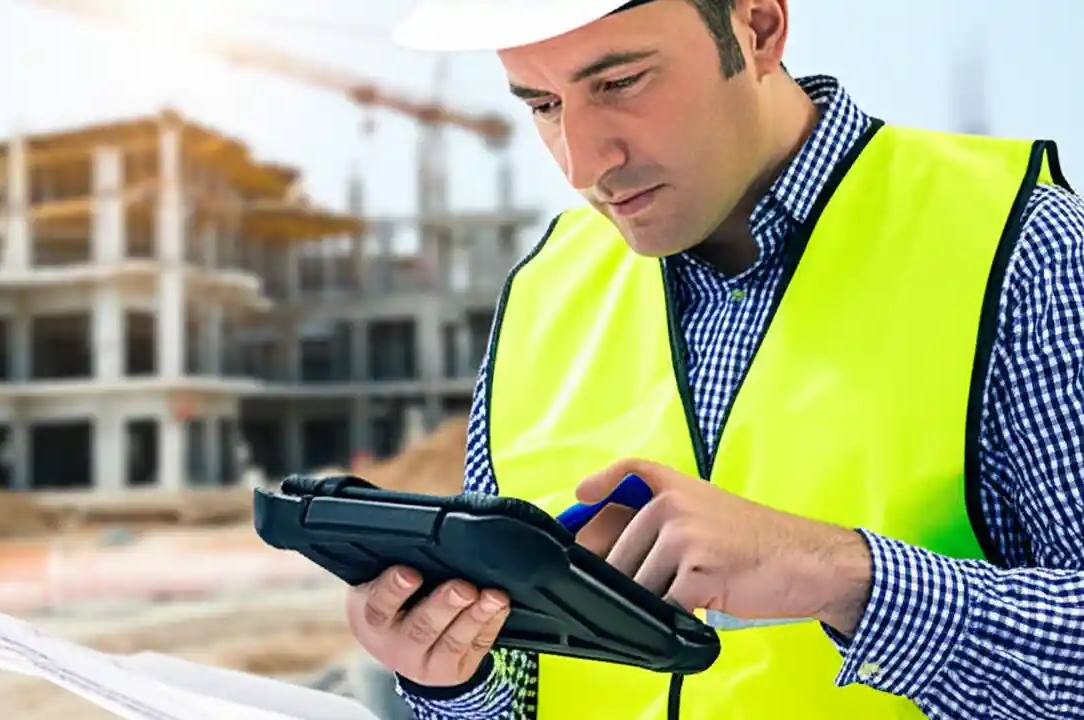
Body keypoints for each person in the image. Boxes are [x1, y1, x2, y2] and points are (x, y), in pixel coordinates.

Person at [343, 1, 1084, 718]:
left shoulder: (1024, 252)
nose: (583, 162)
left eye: (620, 83)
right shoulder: (543, 291)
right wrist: (449, 677)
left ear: (757, 27)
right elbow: (530, 691)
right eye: (542, 105)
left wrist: (840, 577)